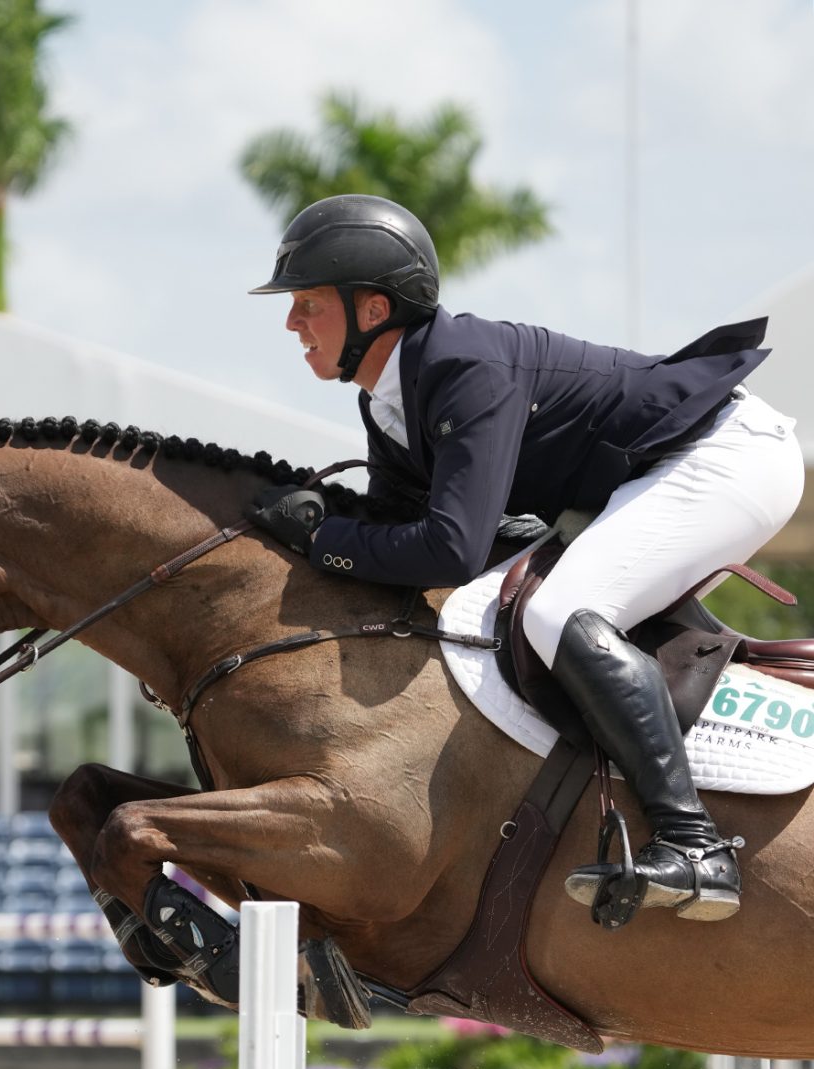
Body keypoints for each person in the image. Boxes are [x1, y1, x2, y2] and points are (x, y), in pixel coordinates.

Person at [247, 194, 805, 926]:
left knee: (561, 612)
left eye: (308, 303)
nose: (292, 323)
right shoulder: (390, 400)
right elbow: (403, 526)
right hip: (663, 468)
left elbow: (450, 547)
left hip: (727, 457)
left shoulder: (462, 369)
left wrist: (324, 540)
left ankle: (694, 844)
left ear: (373, 310)